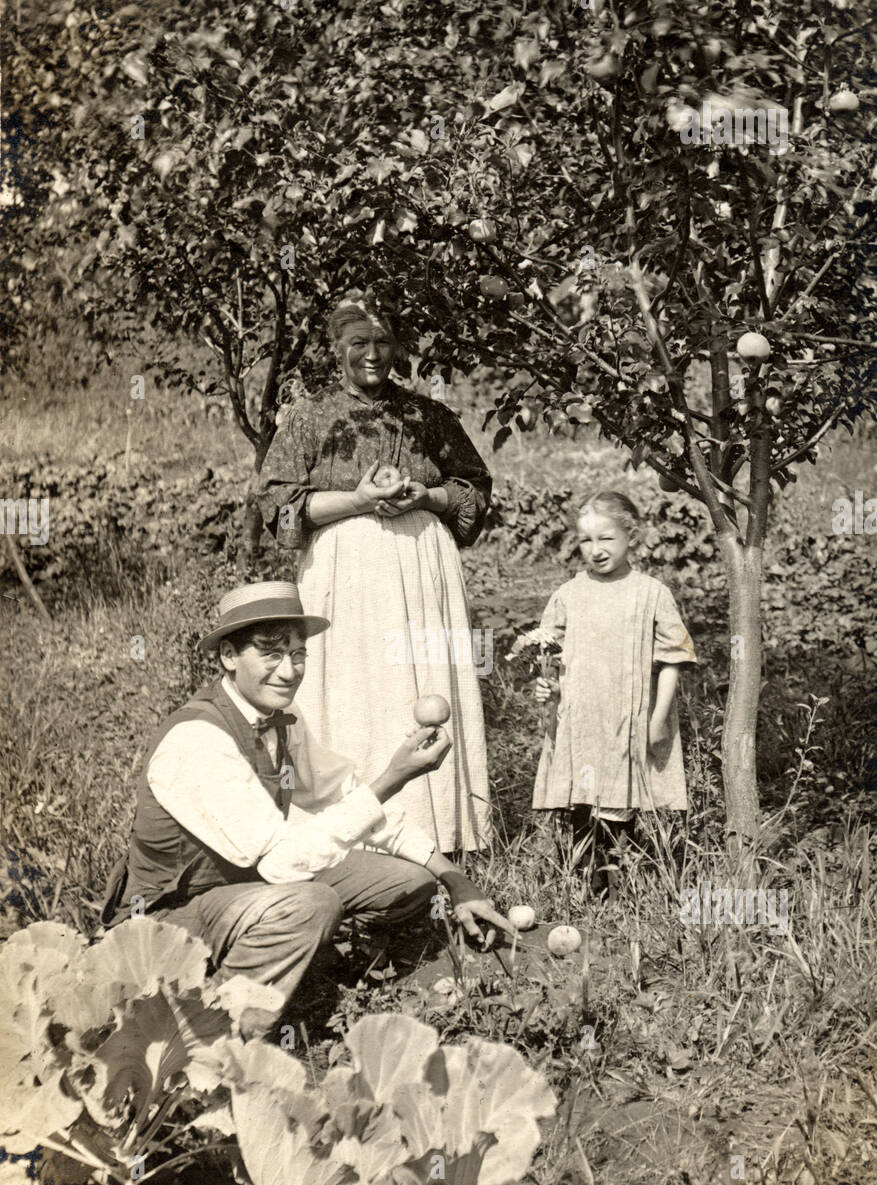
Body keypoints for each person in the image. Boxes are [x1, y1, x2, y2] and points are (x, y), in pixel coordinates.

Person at [101, 581, 510, 1038]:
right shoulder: (197, 738)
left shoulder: (282, 723)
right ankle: (201, 1036)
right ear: (228, 656)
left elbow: (345, 793)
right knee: (310, 903)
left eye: (298, 653)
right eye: (271, 652)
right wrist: (393, 778)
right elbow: (280, 862)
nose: (288, 670)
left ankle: (305, 969)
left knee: (410, 881)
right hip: (164, 925)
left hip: (242, 895)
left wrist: (453, 877)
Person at [254, 290, 492, 854]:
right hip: (348, 572)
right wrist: (358, 500)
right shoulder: (311, 417)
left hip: (421, 568)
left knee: (425, 681)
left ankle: (440, 834)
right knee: (353, 688)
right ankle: (354, 837)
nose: (372, 354)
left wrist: (426, 494)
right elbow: (279, 506)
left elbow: (475, 491)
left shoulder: (426, 416)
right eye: (359, 342)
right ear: (336, 349)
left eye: (383, 342)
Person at [532, 491, 697, 899]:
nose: (596, 550)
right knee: (583, 800)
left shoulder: (650, 592)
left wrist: (657, 719)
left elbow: (673, 659)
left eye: (606, 538)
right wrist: (546, 685)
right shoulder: (569, 594)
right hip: (582, 714)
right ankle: (585, 889)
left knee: (621, 798)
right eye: (586, 540)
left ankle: (622, 889)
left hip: (628, 713)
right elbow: (548, 653)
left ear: (631, 536)